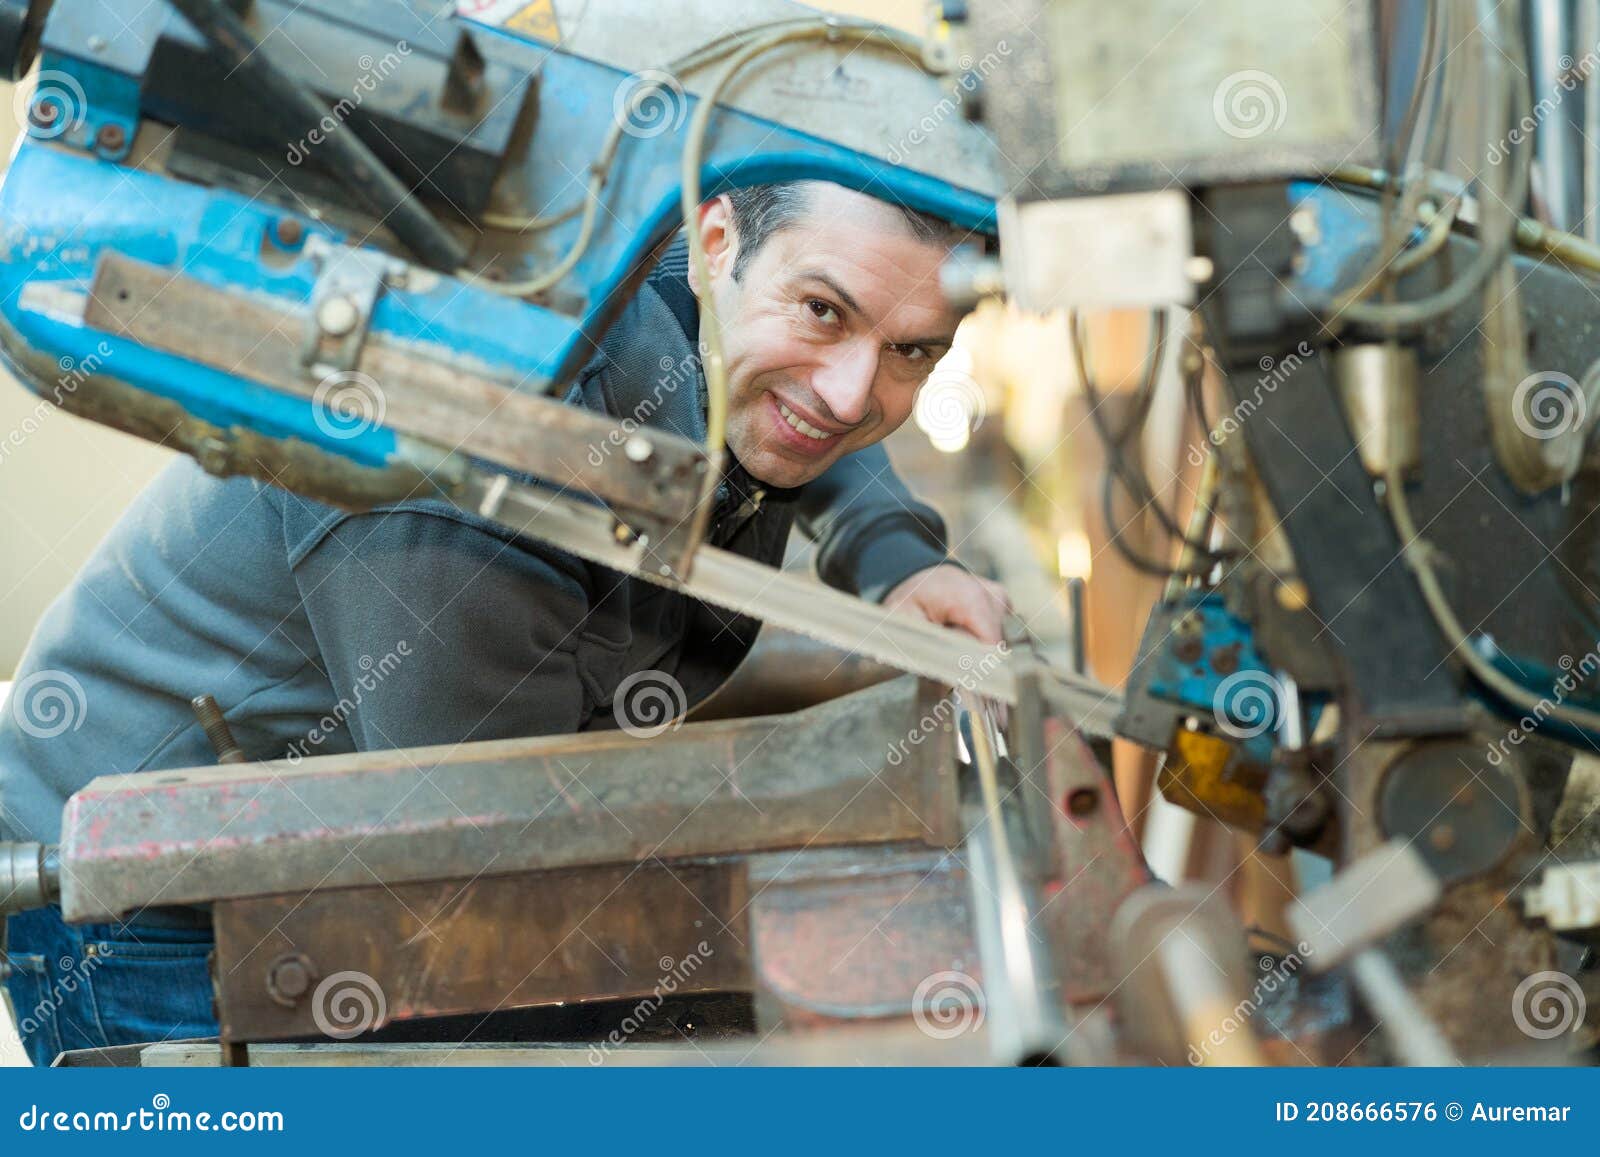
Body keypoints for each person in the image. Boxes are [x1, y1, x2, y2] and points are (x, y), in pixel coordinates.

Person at [0, 179, 1009, 1064]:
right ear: (718, 245)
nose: (852, 392)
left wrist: (898, 557)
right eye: (824, 312)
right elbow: (496, 850)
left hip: (397, 819)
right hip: (145, 915)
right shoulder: (471, 480)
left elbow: (811, 405)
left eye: (912, 350)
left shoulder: (700, 287)